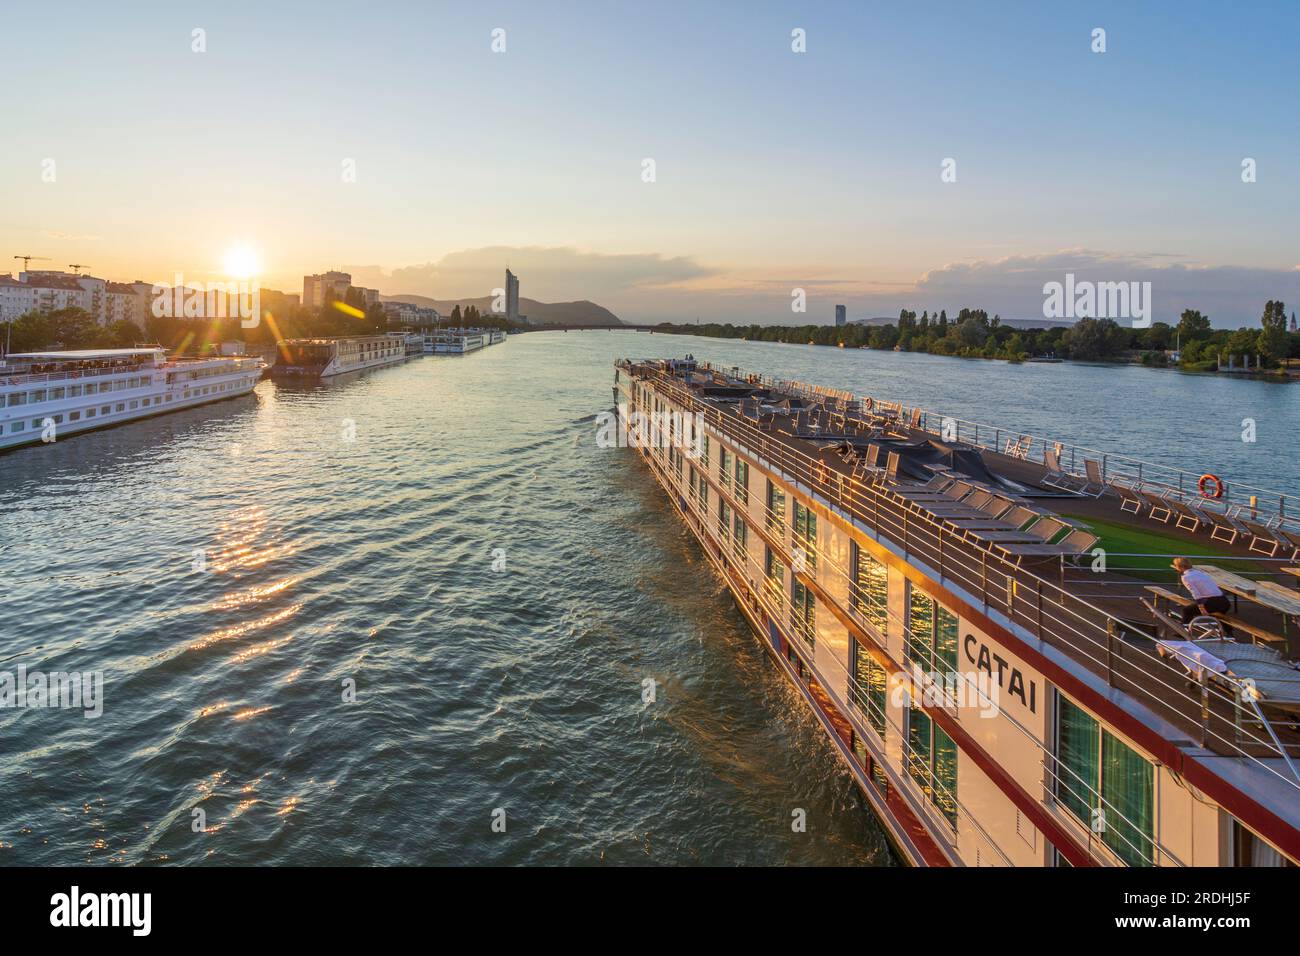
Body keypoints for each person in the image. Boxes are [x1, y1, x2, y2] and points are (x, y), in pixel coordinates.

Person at [1172, 557, 1233, 636]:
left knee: (1187, 611)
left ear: (1180, 567)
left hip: (1213, 602)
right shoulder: (1199, 573)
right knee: (1219, 615)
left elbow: (1195, 593)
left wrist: (1201, 608)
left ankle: (1183, 633)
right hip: (1224, 602)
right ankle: (1229, 632)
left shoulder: (1186, 577)